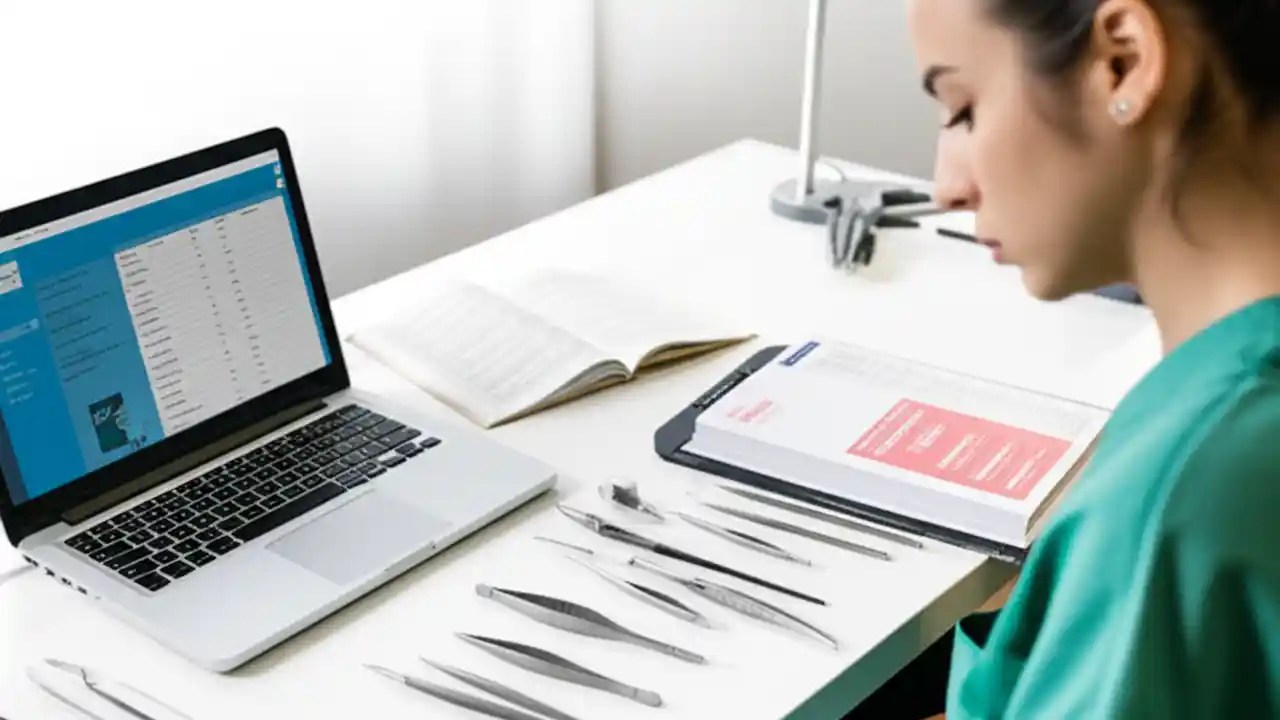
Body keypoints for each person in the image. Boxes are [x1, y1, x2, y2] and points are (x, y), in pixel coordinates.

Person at [852, 0, 1280, 717]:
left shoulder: (1186, 487)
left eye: (964, 110)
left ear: (1125, 61)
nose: (946, 187)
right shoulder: (1220, 404)